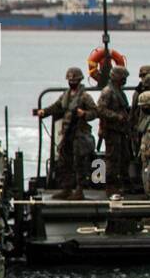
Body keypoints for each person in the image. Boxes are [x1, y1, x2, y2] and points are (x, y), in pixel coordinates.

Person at [33, 67, 96, 200]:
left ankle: (79, 190)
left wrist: (84, 114)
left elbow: (95, 112)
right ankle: (66, 188)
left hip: (79, 133)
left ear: (79, 80)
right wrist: (44, 112)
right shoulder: (65, 95)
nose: (72, 82)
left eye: (74, 80)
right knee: (63, 162)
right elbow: (57, 106)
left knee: (79, 162)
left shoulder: (85, 97)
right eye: (70, 80)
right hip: (67, 133)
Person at [95, 65, 134, 197]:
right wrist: (116, 116)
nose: (125, 80)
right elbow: (100, 109)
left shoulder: (119, 91)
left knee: (125, 157)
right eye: (123, 78)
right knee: (112, 159)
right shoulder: (108, 92)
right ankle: (111, 186)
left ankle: (124, 183)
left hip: (121, 130)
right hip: (112, 131)